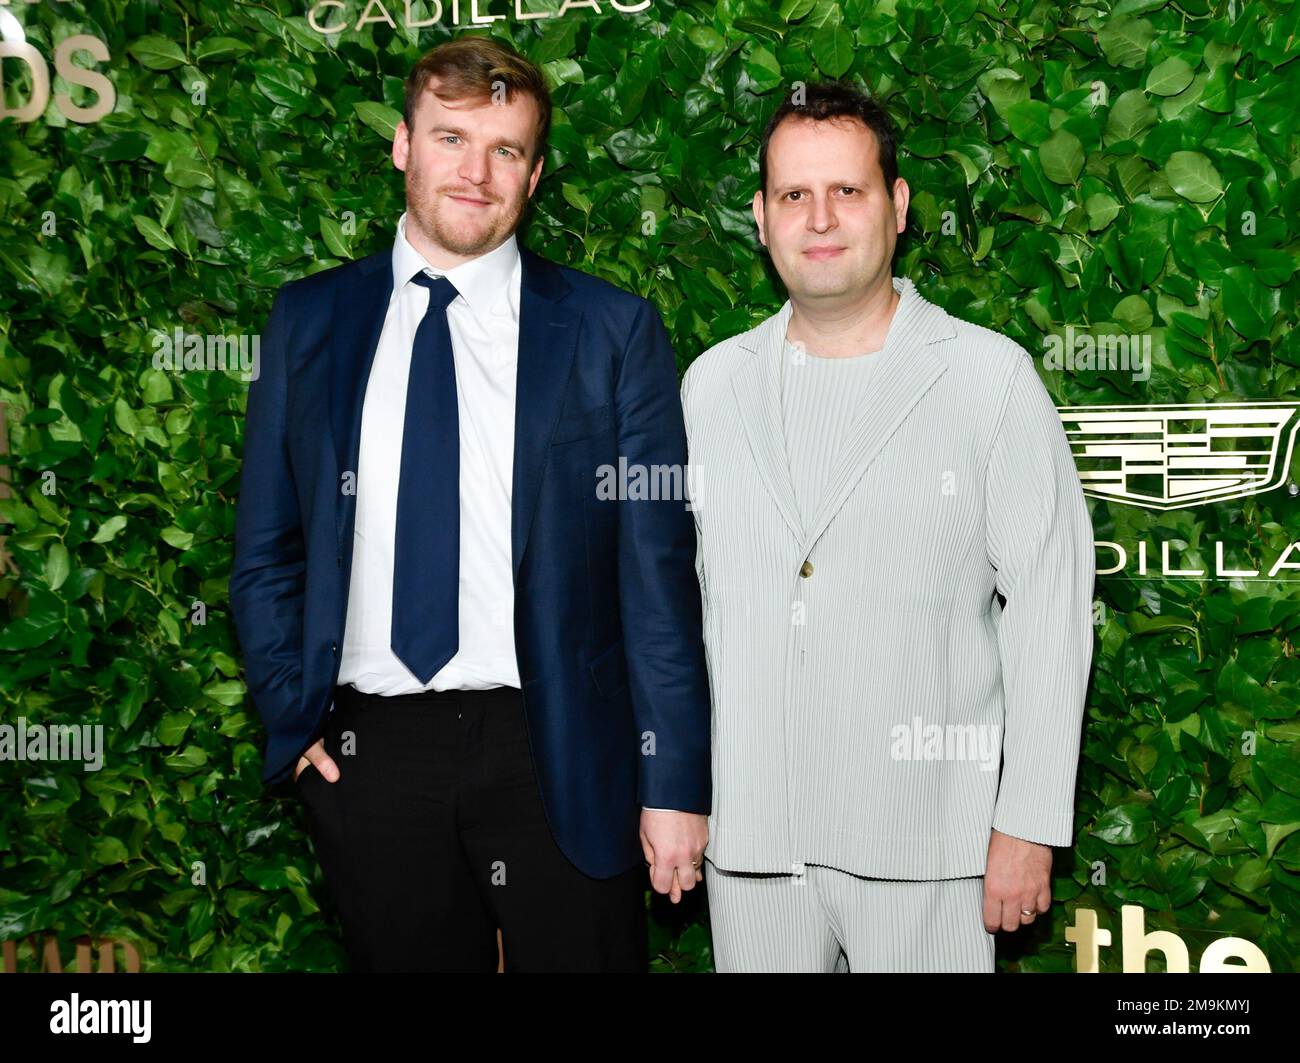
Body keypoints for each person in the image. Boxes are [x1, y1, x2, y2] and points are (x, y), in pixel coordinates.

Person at [229, 37, 710, 972]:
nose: (475, 172)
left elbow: (657, 583)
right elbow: (267, 547)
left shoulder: (612, 331)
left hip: (558, 744)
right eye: (451, 138)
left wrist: (676, 783)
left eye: (506, 149)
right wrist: (292, 723)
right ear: (403, 146)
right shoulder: (309, 320)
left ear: (533, 176)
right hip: (370, 750)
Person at [681, 82, 1095, 972]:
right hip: (753, 845)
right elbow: (675, 611)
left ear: (898, 205)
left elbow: (1051, 609)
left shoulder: (990, 379)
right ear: (761, 217)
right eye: (795, 194)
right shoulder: (710, 386)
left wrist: (1026, 823)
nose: (819, 218)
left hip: (931, 850)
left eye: (848, 191)